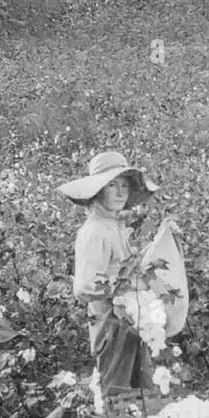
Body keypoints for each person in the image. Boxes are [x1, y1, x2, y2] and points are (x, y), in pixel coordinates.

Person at [59, 151, 182, 391]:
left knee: (138, 395)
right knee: (116, 395)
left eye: (124, 185)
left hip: (129, 324)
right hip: (111, 328)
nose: (120, 192)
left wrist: (162, 239)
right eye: (112, 185)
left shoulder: (112, 225)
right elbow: (84, 287)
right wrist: (126, 288)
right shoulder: (95, 231)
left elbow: (126, 267)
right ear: (98, 190)